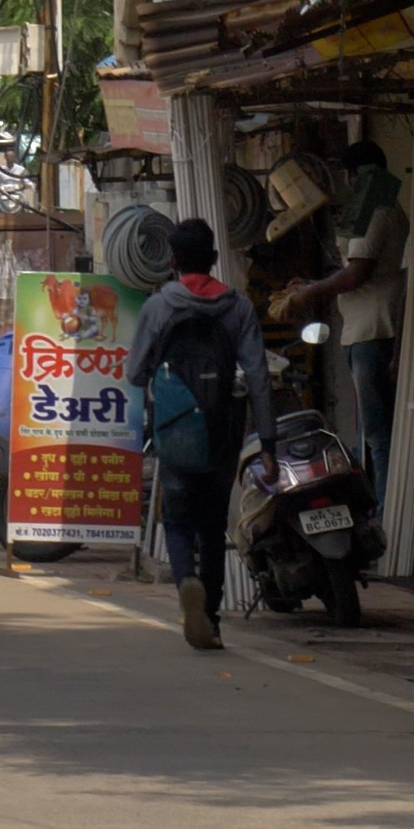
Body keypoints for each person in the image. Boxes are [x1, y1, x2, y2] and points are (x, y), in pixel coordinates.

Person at [132, 215, 275, 650]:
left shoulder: (158, 306)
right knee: (213, 526)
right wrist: (268, 442)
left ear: (173, 261)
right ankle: (210, 619)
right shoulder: (239, 306)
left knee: (177, 519)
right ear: (214, 259)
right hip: (223, 426)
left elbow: (135, 372)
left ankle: (186, 583)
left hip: (176, 426)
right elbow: (258, 375)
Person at [275, 140, 408, 498]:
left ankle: (386, 509)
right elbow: (350, 270)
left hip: (374, 330)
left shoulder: (378, 211)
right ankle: (381, 503)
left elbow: (356, 275)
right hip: (362, 329)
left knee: (379, 433)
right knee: (371, 430)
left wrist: (310, 293)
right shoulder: (371, 209)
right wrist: (314, 284)